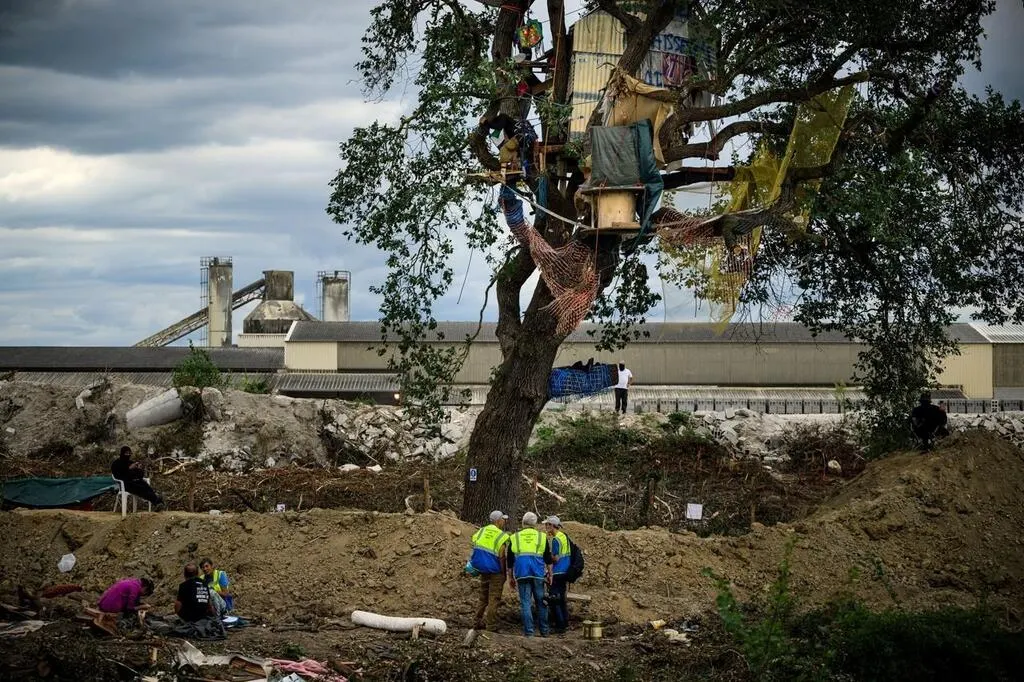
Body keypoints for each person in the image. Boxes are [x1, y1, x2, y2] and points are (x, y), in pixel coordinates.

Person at [506, 511, 553, 637]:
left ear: (523, 522)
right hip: (538, 573)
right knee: (541, 602)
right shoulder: (541, 537)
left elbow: (510, 560)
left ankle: (529, 633)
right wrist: (550, 574)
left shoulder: (514, 537)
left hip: (522, 573)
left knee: (525, 603)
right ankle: (544, 631)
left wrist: (510, 577)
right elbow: (548, 558)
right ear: (535, 524)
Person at [469, 510, 510, 631]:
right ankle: (491, 625)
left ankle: (476, 622)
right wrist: (504, 572)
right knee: (494, 598)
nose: (504, 521)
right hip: (496, 570)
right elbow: (501, 555)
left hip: (483, 569)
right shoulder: (502, 536)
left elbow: (475, 543)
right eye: (503, 519)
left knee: (483, 597)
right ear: (498, 521)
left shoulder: (481, 531)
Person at [543, 515, 571, 634]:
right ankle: (565, 622)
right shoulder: (563, 536)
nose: (545, 527)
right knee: (562, 599)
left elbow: (556, 558)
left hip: (558, 571)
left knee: (555, 599)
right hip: (565, 571)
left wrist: (547, 559)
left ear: (552, 526)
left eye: (547, 525)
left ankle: (560, 626)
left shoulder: (555, 540)